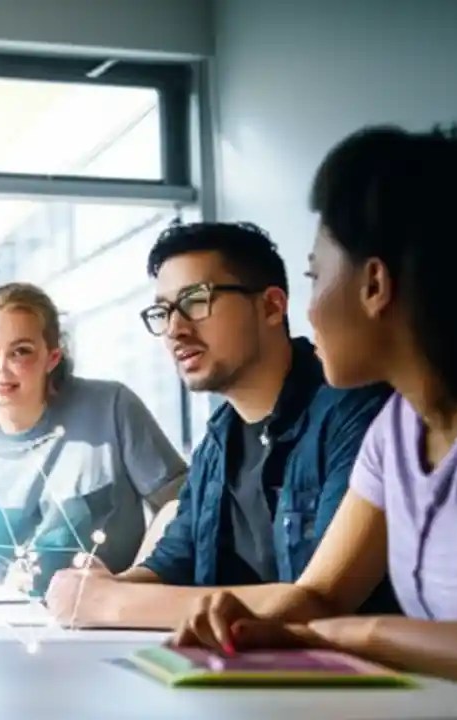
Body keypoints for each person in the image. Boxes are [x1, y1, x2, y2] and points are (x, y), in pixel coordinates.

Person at [173, 126, 457, 684]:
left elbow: (335, 622)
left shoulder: (354, 418)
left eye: (314, 276)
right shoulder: (396, 431)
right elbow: (322, 593)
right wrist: (253, 624)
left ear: (374, 285)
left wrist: (354, 634)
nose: (307, 312)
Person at [44, 221, 394, 628]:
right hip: (231, 663)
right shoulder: (219, 439)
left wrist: (110, 602)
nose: (175, 329)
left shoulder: (357, 411)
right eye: (163, 312)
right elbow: (171, 565)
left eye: (196, 300)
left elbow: (318, 603)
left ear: (271, 306)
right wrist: (98, 586)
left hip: (346, 666)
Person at [0, 282, 186, 604]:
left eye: (21, 352)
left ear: (52, 357)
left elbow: (184, 506)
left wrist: (136, 580)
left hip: (113, 612)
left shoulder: (112, 407)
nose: (1, 367)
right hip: (20, 619)